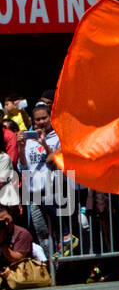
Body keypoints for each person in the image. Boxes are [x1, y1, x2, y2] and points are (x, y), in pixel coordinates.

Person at [19, 101, 62, 259]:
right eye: (37, 120)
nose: (41, 122)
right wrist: (22, 149)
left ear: (51, 118)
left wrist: (43, 143)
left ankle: (66, 266)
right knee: (42, 233)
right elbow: (22, 168)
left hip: (54, 192)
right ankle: (53, 266)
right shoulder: (27, 141)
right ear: (32, 121)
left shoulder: (57, 138)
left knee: (59, 232)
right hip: (34, 194)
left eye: (44, 118)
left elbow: (55, 160)